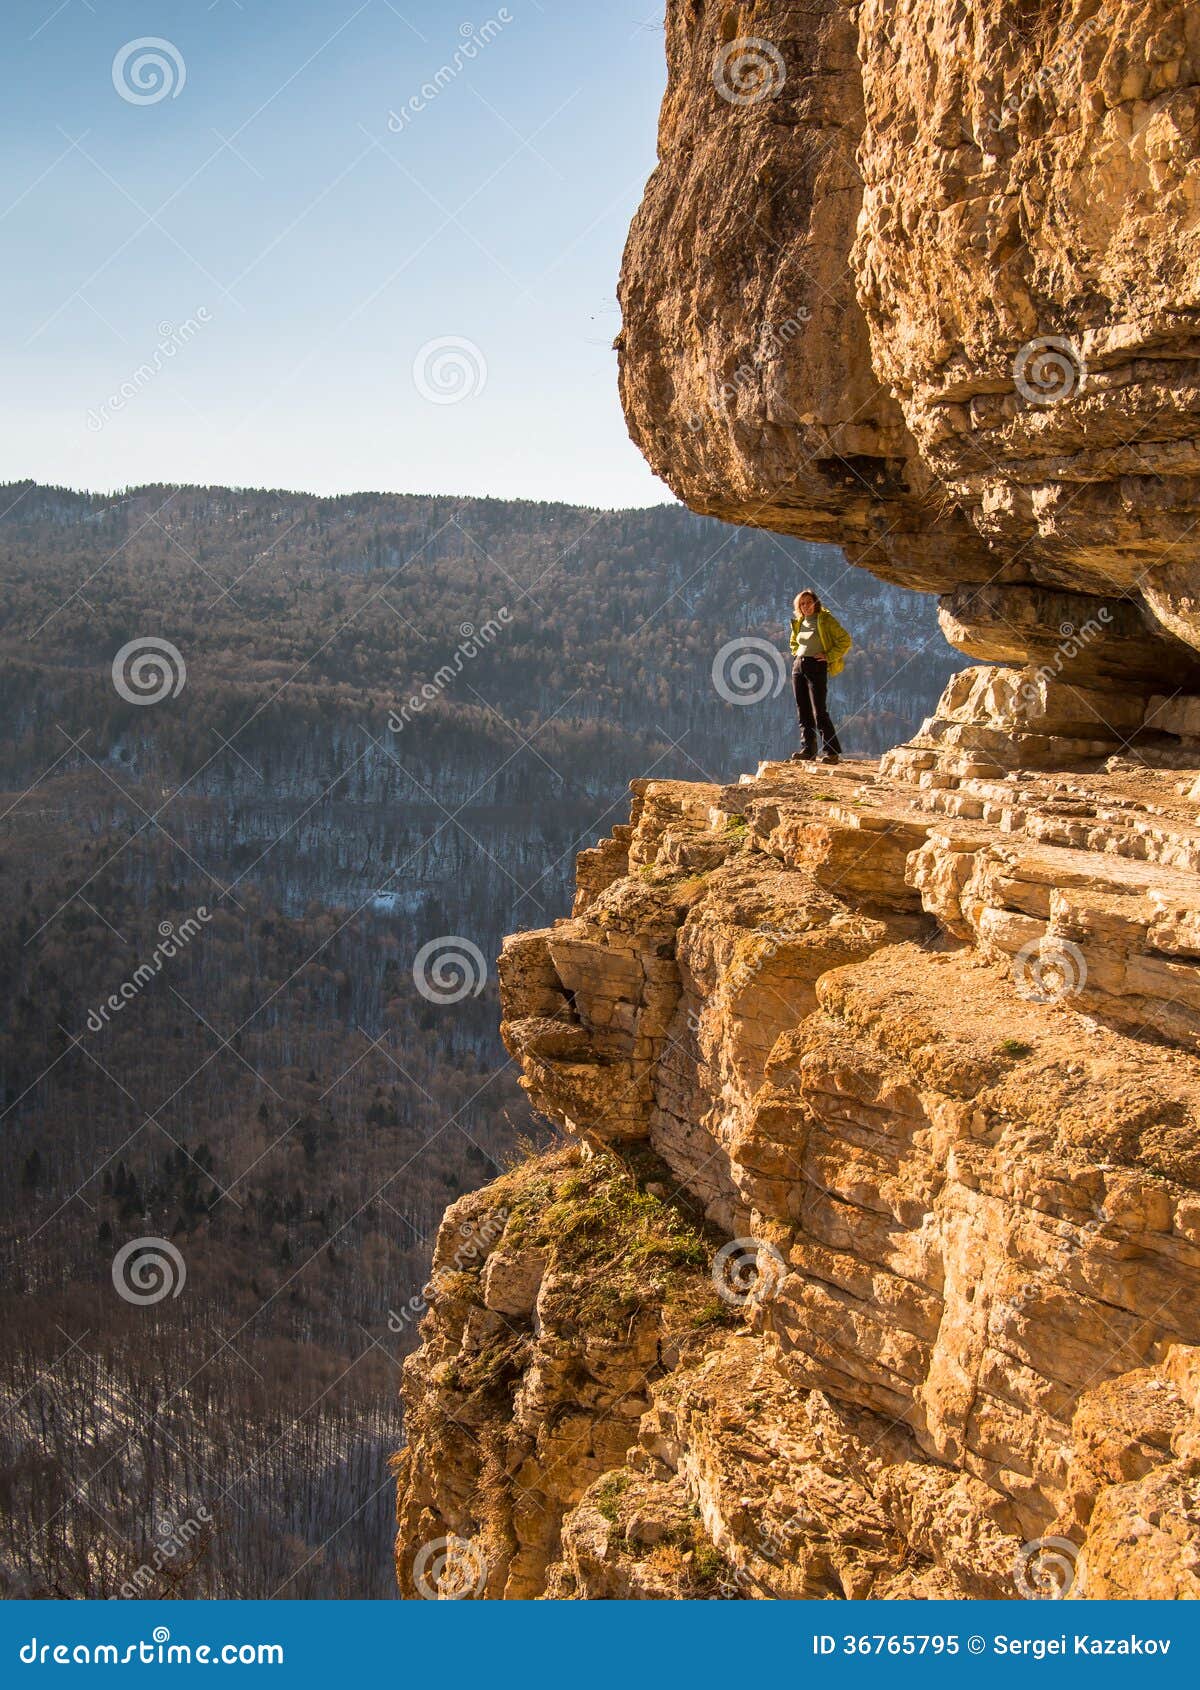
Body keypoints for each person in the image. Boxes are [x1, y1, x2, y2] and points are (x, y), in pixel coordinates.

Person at [789, 590, 852, 764]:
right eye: (802, 603)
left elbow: (845, 640)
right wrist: (797, 653)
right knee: (803, 710)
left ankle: (831, 752)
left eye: (809, 602)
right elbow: (794, 642)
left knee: (819, 711)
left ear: (816, 603)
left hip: (817, 666)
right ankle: (808, 750)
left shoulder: (825, 620)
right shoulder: (799, 621)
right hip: (798, 666)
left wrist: (829, 656)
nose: (805, 606)